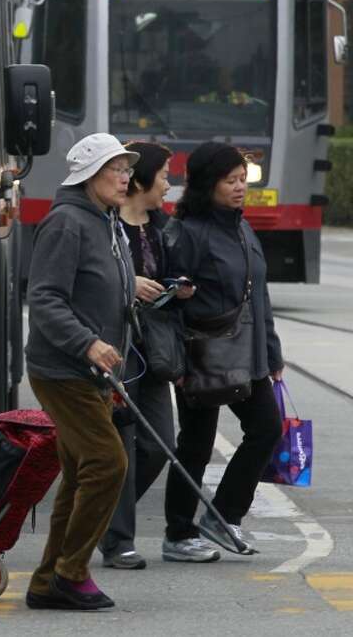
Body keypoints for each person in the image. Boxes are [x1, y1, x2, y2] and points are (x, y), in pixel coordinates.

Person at [23, 133, 136, 611]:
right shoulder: (68, 222)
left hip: (89, 372)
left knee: (78, 473)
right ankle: (71, 572)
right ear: (90, 175)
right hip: (63, 368)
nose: (127, 177)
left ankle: (48, 581)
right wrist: (87, 342)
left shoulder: (106, 221)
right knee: (108, 464)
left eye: (128, 169)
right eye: (117, 169)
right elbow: (44, 297)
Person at [162, 142, 284, 560]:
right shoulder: (188, 232)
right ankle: (178, 534)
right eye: (229, 181)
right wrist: (176, 359)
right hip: (204, 352)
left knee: (267, 427)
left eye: (241, 180)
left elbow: (259, 296)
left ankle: (224, 515)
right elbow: (168, 298)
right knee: (196, 441)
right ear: (205, 184)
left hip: (247, 354)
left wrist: (273, 354)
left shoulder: (242, 226)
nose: (239, 188)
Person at [98, 141, 195, 570]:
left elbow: (170, 279)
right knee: (121, 445)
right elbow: (89, 281)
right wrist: (128, 283)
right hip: (114, 350)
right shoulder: (102, 223)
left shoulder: (164, 227)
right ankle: (117, 539)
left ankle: (97, 517)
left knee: (158, 445)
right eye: (164, 176)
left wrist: (177, 288)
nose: (169, 185)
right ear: (140, 180)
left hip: (153, 351)